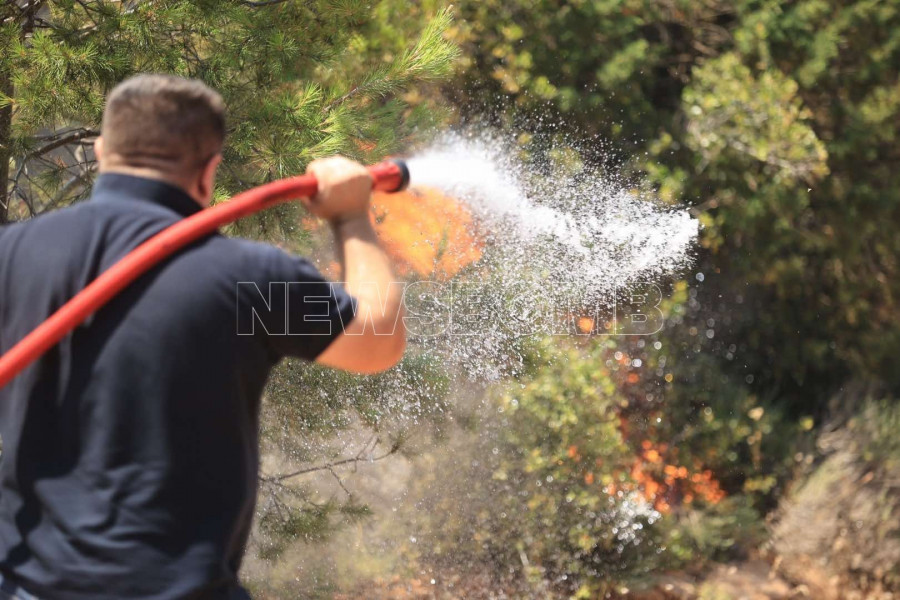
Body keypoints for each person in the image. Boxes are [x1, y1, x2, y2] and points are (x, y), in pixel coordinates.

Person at [0, 74, 406, 599]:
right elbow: (379, 337)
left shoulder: (11, 257)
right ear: (209, 173)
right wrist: (352, 217)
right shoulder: (248, 280)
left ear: (102, 151)